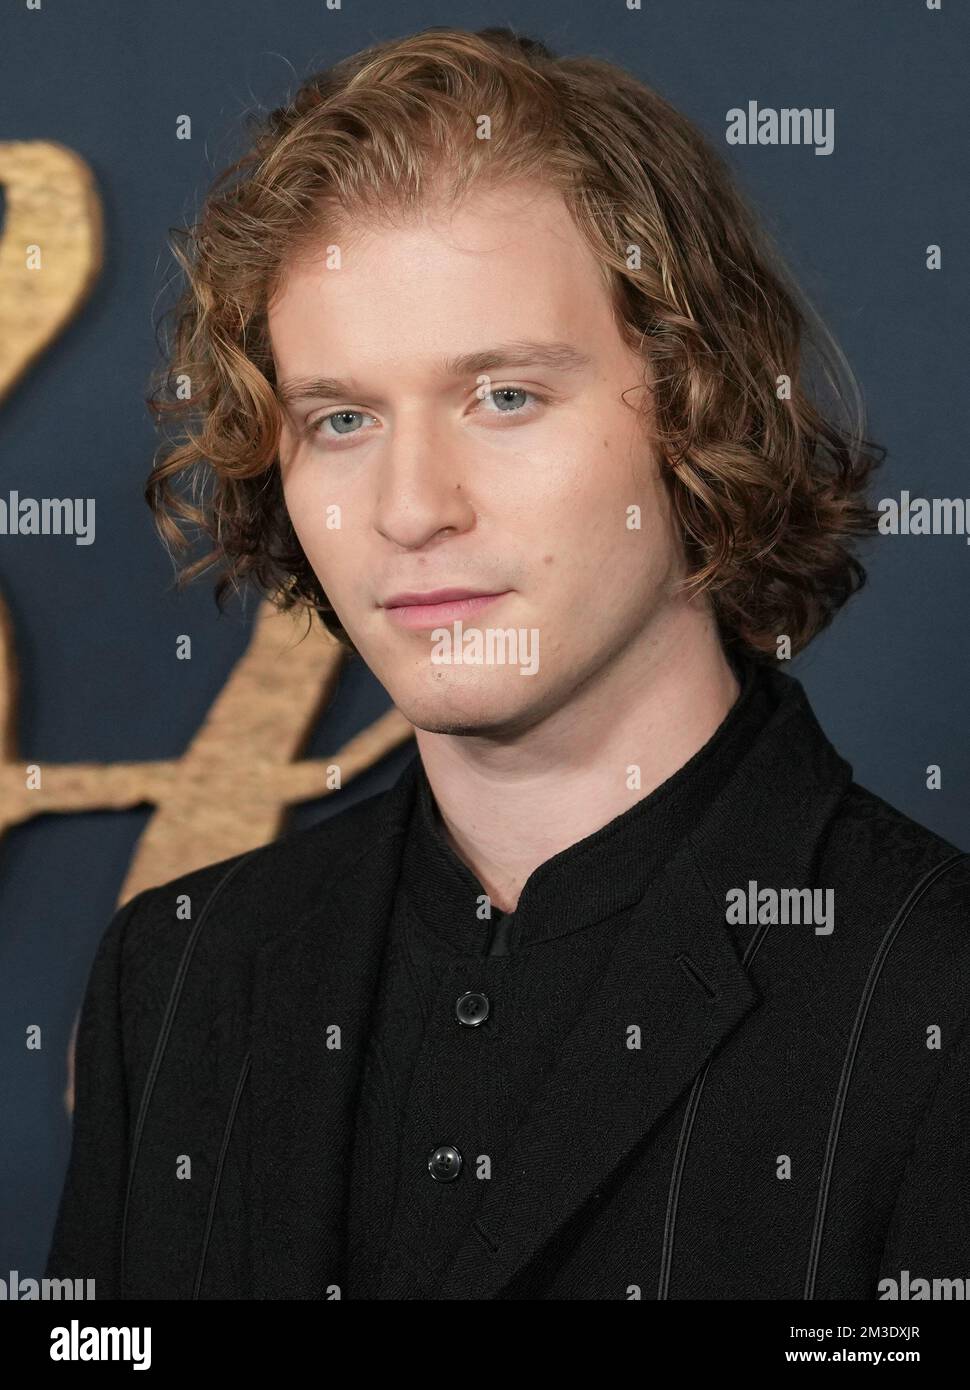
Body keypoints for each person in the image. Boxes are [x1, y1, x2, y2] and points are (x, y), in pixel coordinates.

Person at [45, 25, 970, 1300]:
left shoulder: (935, 994)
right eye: (343, 419)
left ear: (696, 405)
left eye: (505, 397)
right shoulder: (181, 976)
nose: (413, 505)